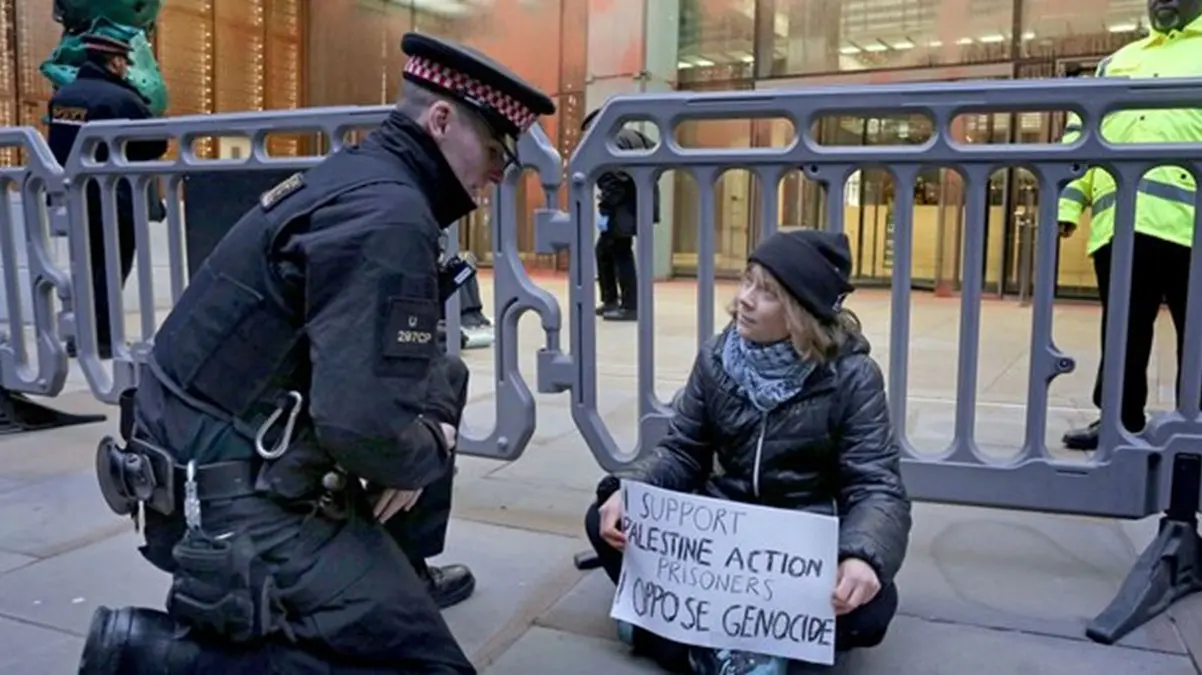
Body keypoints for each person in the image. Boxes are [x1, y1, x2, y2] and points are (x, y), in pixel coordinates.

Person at [83, 32, 554, 673]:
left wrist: (424, 430)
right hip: (236, 498)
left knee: (439, 384)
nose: (501, 172)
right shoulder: (389, 217)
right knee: (428, 667)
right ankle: (155, 657)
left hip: (202, 455)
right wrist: (427, 449)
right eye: (496, 150)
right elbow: (361, 427)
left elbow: (410, 364)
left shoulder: (363, 179)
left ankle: (391, 575)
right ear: (441, 120)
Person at [583, 230, 912, 674]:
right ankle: (740, 647)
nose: (745, 300)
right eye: (747, 281)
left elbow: (876, 486)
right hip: (720, 541)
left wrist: (861, 556)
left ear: (801, 313)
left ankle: (676, 638)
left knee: (873, 608)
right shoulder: (717, 358)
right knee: (604, 516)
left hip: (798, 548)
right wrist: (632, 489)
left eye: (768, 292)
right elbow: (682, 452)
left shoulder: (852, 378)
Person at [1058, 0, 1202, 451]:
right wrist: (1068, 203)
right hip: (1120, 221)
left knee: (1197, 333)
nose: (1165, 1)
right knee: (1122, 330)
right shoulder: (1116, 61)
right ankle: (1118, 422)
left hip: (1190, 224)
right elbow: (1080, 133)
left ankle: (1194, 427)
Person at [46, 31, 168, 359]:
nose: (126, 67)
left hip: (73, 198)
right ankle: (104, 339)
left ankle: (80, 337)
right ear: (114, 62)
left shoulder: (64, 97)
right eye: (124, 62)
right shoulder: (122, 99)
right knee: (111, 270)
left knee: (83, 267)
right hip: (115, 201)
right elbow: (156, 143)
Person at [582, 108, 659, 322]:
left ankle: (629, 305)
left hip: (621, 209)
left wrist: (605, 210)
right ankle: (612, 300)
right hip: (640, 203)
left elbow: (612, 182)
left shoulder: (606, 141)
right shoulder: (634, 135)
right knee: (609, 251)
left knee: (618, 252)